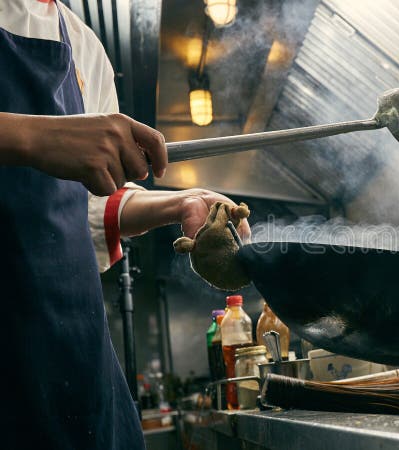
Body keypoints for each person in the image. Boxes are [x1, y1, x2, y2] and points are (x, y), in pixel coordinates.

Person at [0, 1, 250, 448]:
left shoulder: (83, 45)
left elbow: (92, 206)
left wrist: (180, 203)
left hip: (71, 343)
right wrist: (32, 136)